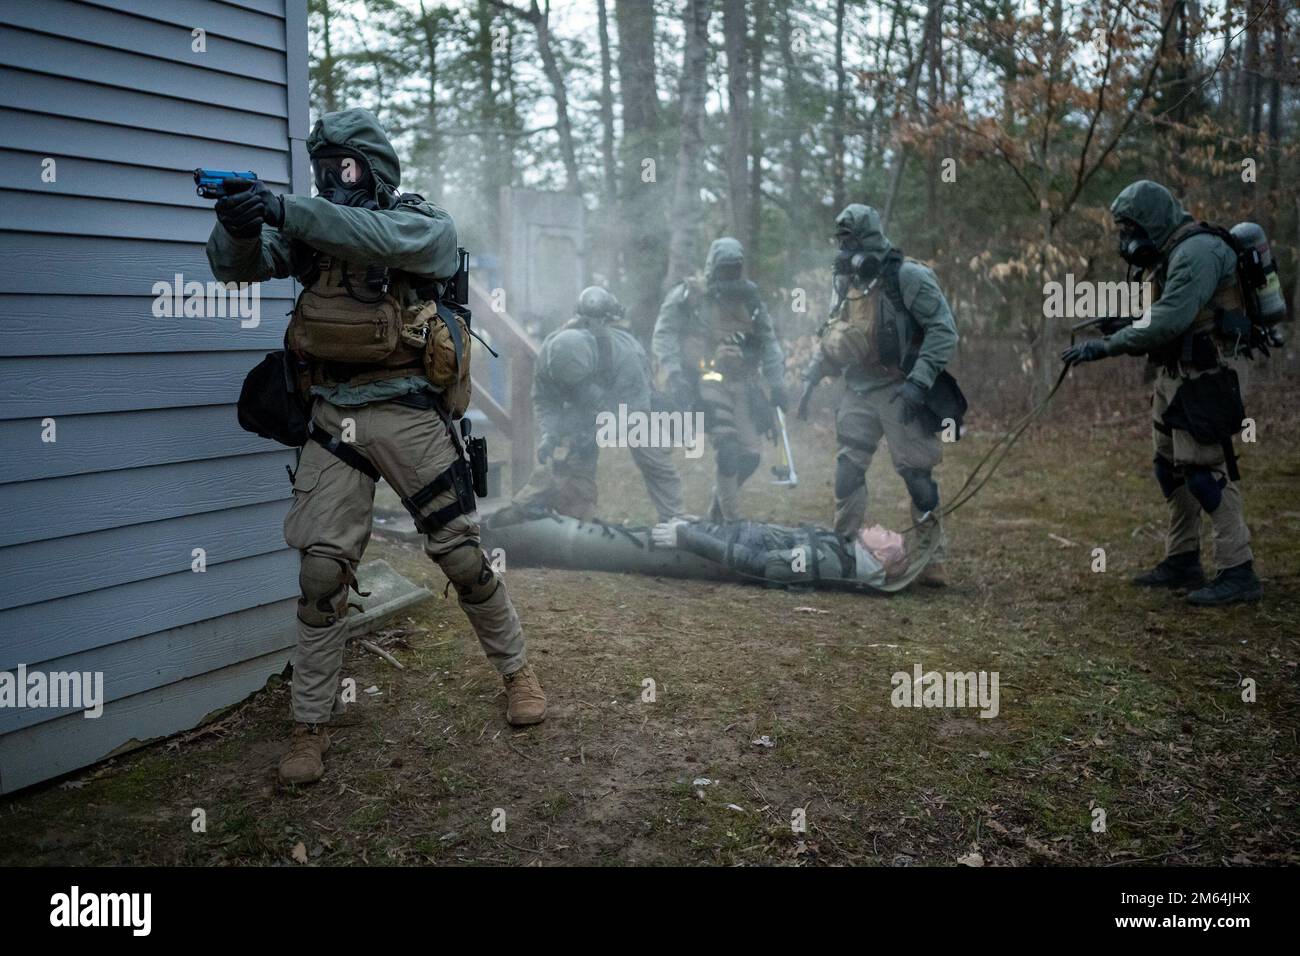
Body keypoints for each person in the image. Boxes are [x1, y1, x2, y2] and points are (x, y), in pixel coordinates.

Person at [206, 108, 545, 786]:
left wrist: (283, 208)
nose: (333, 181)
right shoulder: (309, 233)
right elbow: (231, 269)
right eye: (324, 169)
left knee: (462, 557)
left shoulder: (419, 225)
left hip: (408, 414)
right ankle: (308, 727)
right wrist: (241, 224)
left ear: (375, 170)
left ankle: (518, 673)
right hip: (333, 417)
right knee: (320, 575)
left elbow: (370, 233)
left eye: (346, 167)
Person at [1061, 179, 1262, 606]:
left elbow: (1170, 319)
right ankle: (1183, 559)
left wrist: (1107, 346)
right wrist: (1121, 324)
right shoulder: (1170, 254)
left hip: (1209, 373)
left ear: (1151, 221)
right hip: (1177, 373)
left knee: (1205, 473)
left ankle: (1238, 570)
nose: (1125, 239)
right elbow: (1163, 313)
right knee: (1169, 468)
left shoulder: (1197, 253)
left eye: (1130, 228)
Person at [798, 204, 959, 587]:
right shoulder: (846, 282)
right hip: (858, 387)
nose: (842, 250)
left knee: (917, 476)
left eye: (849, 241)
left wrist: (919, 382)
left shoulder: (909, 277)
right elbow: (835, 331)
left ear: (866, 240)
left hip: (900, 386)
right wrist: (811, 378)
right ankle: (843, 548)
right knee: (847, 470)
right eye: (839, 241)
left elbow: (944, 330)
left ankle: (933, 557)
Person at [510, 287, 685, 521]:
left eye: (579, 383)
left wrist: (600, 431)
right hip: (584, 406)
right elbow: (545, 401)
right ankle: (574, 518)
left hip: (632, 399)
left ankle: (674, 519)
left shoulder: (626, 357)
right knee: (575, 457)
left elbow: (636, 411)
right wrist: (549, 435)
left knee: (652, 453)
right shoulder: (549, 357)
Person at [652, 238, 786, 521]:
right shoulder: (690, 295)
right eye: (724, 269)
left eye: (734, 269)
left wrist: (777, 383)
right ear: (713, 267)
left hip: (742, 383)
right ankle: (732, 521)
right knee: (727, 450)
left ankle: (718, 508)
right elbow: (664, 334)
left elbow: (769, 341)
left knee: (750, 455)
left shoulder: (750, 299)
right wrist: (674, 373)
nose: (729, 275)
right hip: (706, 380)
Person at [648, 513, 940, 593]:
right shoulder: (845, 551)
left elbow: (757, 564)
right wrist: (701, 526)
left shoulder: (824, 561)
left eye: (886, 533)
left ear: (879, 557)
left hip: (707, 553)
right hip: (718, 536)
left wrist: (690, 538)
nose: (878, 525)